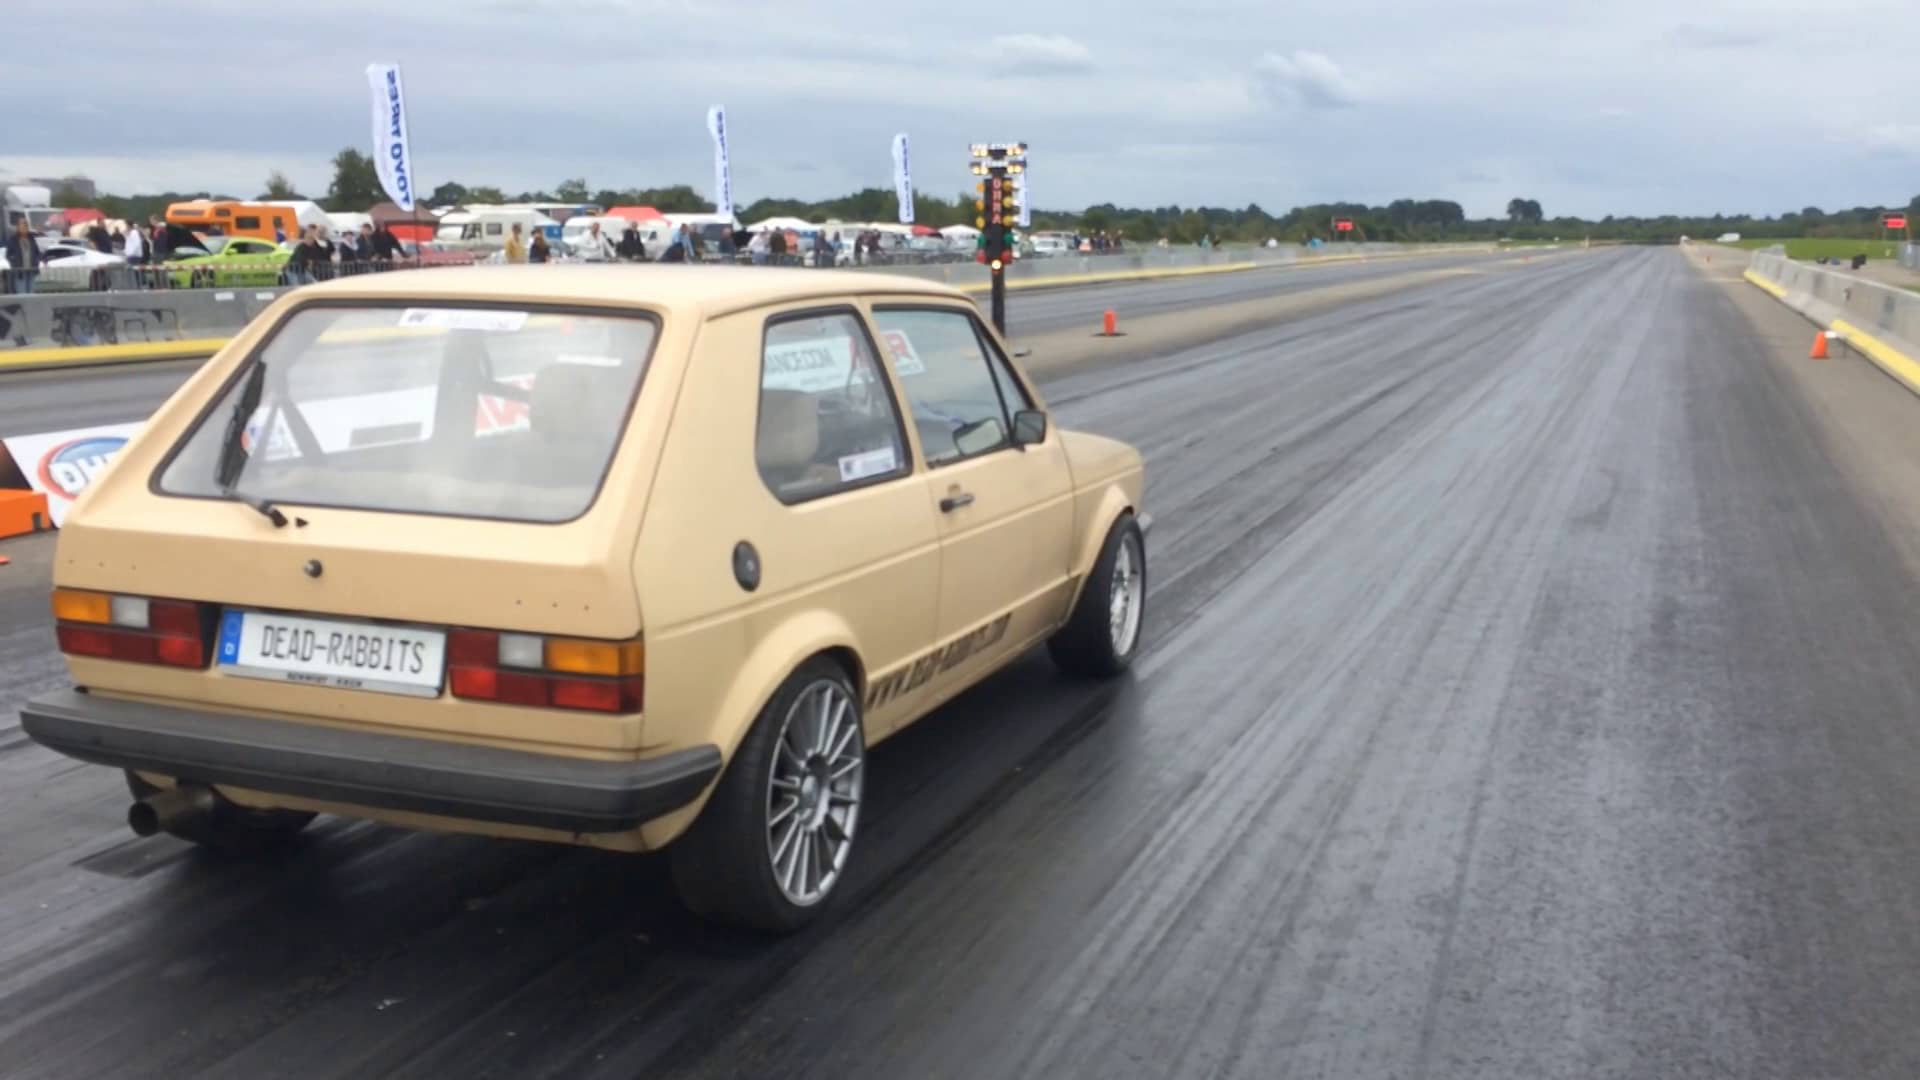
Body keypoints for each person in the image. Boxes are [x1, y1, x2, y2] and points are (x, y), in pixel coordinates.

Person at [5, 218, 40, 294]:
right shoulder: (13, 240)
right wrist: (14, 263)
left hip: (31, 270)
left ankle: (31, 306)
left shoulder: (31, 239)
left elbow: (37, 253)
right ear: (18, 227)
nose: (24, 227)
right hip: (20, 271)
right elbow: (8, 255)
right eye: (22, 224)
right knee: (22, 294)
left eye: (26, 224)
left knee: (31, 293)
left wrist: (37, 261)